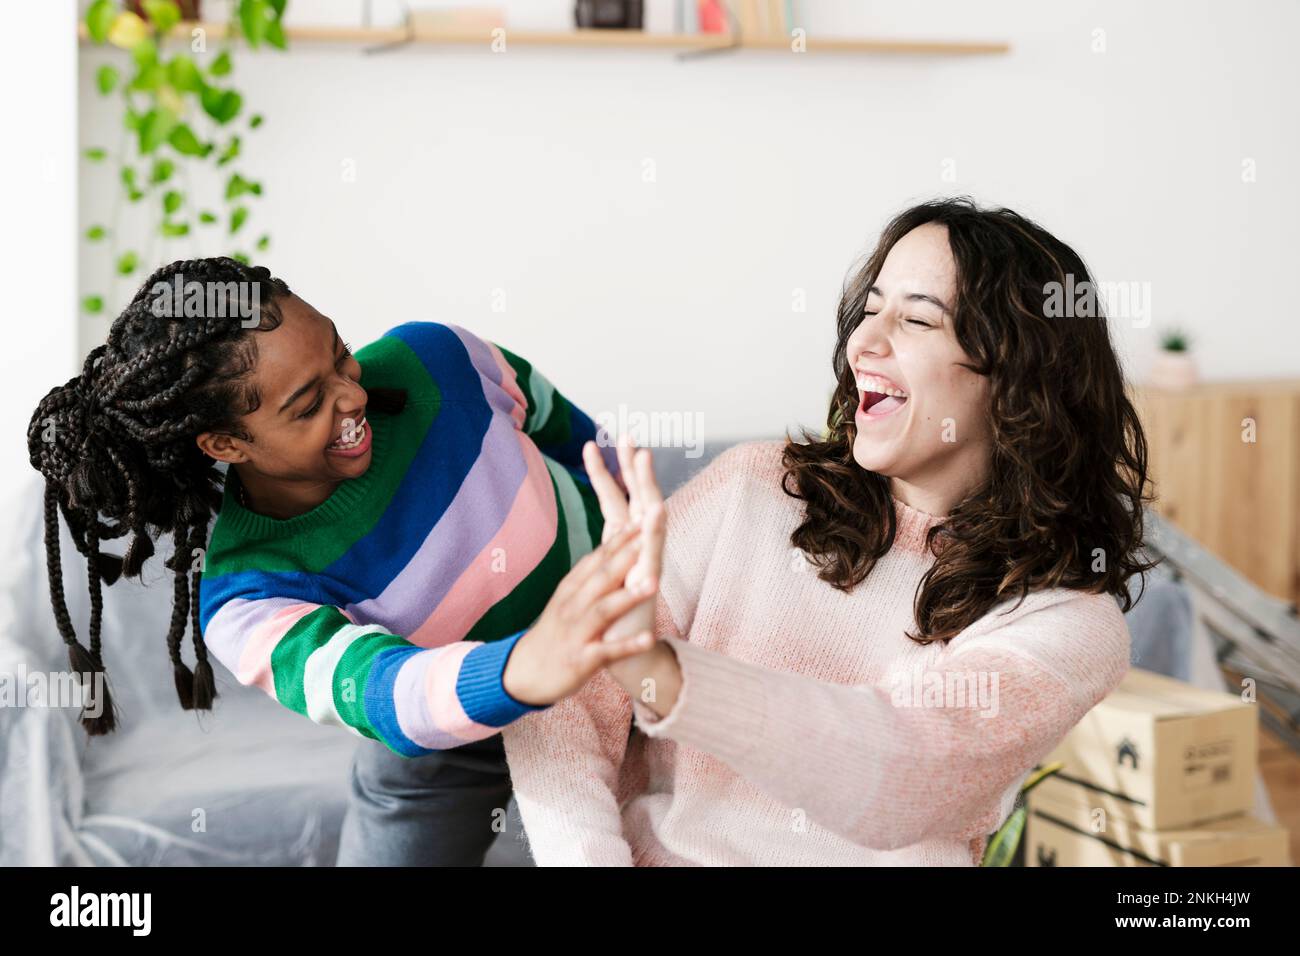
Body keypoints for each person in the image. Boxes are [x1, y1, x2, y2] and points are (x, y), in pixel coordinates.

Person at [502, 198, 1156, 866]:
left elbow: (902, 770)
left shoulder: (1065, 623)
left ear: (1019, 380)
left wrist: (661, 676)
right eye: (870, 309)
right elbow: (565, 704)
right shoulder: (752, 491)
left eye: (918, 319)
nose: (865, 344)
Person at [25, 256, 661, 866]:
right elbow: (381, 692)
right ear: (227, 443)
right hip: (447, 738)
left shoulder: (438, 360)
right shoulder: (245, 597)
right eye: (307, 406)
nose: (351, 397)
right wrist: (525, 666)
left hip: (627, 639)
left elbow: (582, 445)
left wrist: (643, 562)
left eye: (340, 356)